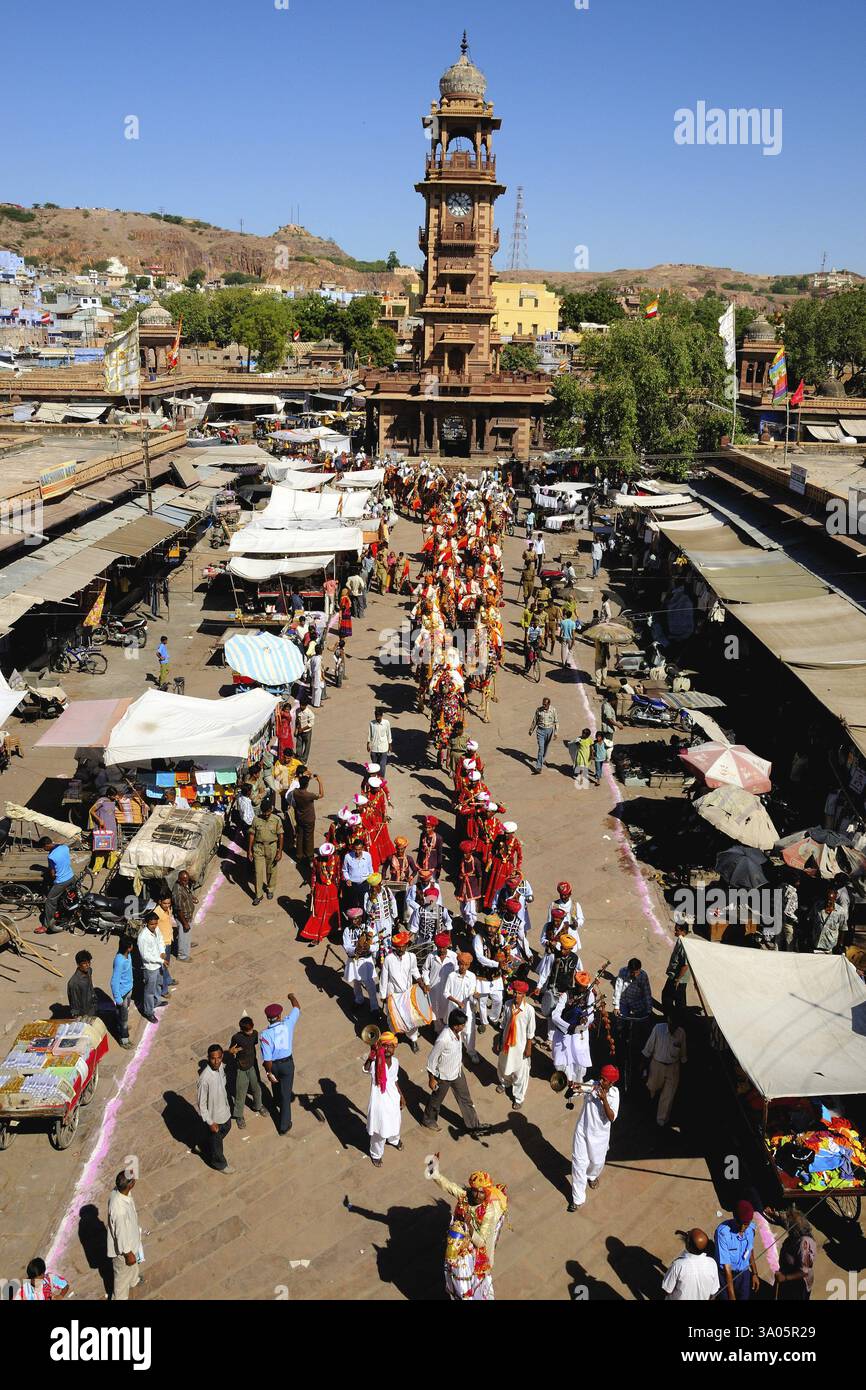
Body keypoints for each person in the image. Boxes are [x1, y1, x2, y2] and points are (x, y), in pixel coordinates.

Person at [428, 1156, 508, 1301]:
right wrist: (435, 1173)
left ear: (487, 1192)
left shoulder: (489, 1212)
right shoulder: (466, 1196)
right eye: (475, 1191)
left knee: (480, 1271)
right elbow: (450, 1187)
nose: (477, 1195)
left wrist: (469, 1225)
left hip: (480, 1239)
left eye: (481, 1192)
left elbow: (481, 1242)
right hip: (465, 1232)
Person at [423, 1008, 484, 1135]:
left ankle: (473, 1125)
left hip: (457, 1073)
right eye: (462, 1025)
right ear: (455, 1026)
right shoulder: (443, 1039)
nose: (464, 1026)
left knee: (466, 1099)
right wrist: (432, 1078)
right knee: (436, 1101)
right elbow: (431, 1060)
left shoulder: (457, 1033)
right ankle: (428, 1119)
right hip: (443, 1077)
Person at [569, 1063, 620, 1211]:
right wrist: (573, 1087)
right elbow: (579, 1089)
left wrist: (604, 1100)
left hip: (599, 1138)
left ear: (612, 1083)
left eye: (605, 1080)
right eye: (601, 1078)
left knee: (596, 1163)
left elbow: (611, 1117)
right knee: (579, 1164)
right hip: (583, 1132)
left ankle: (592, 1175)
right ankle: (577, 1199)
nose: (602, 1082)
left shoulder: (614, 1095)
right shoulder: (592, 1085)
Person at [260, 994, 301, 1135]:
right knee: (286, 1094)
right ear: (279, 1016)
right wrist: (291, 997)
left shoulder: (264, 1035)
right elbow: (297, 1007)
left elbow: (267, 1060)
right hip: (287, 1064)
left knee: (275, 1084)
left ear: (268, 1018)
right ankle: (284, 1125)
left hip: (274, 1066)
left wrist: (268, 1073)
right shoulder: (288, 1024)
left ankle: (275, 1100)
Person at [364, 1031, 403, 1167]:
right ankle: (376, 1154)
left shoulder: (396, 1062)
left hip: (393, 1098)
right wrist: (372, 1055)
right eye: (384, 1046)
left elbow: (394, 1080)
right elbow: (366, 1068)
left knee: (395, 1121)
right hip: (379, 1102)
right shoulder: (375, 1064)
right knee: (379, 1130)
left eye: (390, 1046)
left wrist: (401, 1096)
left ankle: (394, 1139)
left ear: (394, 1047)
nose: (387, 1049)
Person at [379, 931, 423, 1053]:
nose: (400, 949)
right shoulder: (388, 959)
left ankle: (413, 1039)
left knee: (412, 1018)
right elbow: (384, 977)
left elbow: (415, 971)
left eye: (402, 946)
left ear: (406, 945)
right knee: (393, 1018)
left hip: (407, 993)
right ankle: (392, 1038)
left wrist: (421, 982)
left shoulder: (411, 957)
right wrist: (383, 995)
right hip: (393, 994)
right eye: (398, 947)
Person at [642, 1011, 687, 1127]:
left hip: (673, 1068)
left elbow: (683, 1055)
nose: (673, 1028)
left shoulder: (681, 1033)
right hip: (657, 1065)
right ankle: (649, 1109)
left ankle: (661, 1122)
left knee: (668, 1096)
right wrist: (644, 1067)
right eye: (672, 1024)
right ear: (668, 1021)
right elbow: (648, 1049)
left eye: (676, 1025)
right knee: (652, 1088)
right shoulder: (658, 1029)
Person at [496, 979, 535, 1109]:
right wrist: (499, 1040)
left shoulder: (529, 1010)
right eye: (514, 992)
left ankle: (518, 1097)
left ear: (524, 995)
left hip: (520, 1046)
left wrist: (528, 1047)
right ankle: (504, 1083)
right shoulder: (507, 1005)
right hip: (507, 1044)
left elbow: (530, 1032)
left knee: (520, 1072)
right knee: (503, 1064)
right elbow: (503, 1024)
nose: (515, 996)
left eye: (518, 993)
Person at [107, 1170, 143, 1301]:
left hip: (131, 1242)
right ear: (131, 1184)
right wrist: (128, 1254)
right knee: (121, 1279)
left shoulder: (118, 1192)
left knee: (133, 1266)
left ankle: (134, 1280)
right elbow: (120, 1234)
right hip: (124, 1252)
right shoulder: (119, 1210)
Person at [197, 1044, 233, 1173]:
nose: (216, 1061)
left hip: (225, 1110)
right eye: (213, 1058)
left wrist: (230, 1052)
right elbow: (201, 1104)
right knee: (217, 1143)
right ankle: (219, 1164)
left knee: (228, 1127)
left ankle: (206, 1145)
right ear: (208, 1058)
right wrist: (210, 1122)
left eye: (219, 1058)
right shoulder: (204, 1079)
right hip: (214, 1117)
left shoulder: (220, 1067)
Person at [715, 1200, 760, 1301]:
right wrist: (731, 1296)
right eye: (740, 1223)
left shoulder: (751, 1230)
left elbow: (750, 1251)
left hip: (743, 1273)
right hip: (725, 1275)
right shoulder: (723, 1233)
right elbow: (727, 1267)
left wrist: (755, 1274)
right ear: (735, 1217)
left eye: (746, 1224)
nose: (743, 1228)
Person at [227, 1015, 268, 1128]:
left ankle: (258, 1106)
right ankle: (239, 1115)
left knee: (257, 1088)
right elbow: (231, 1050)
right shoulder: (236, 1038)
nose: (250, 1031)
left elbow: (254, 1043)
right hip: (241, 1068)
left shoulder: (255, 1033)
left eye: (251, 1028)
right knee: (241, 1092)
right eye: (247, 1030)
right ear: (242, 1029)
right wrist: (232, 1051)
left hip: (253, 1065)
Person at [661, 1230, 721, 1301]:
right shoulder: (712, 1263)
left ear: (688, 1245)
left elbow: (667, 1290)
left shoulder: (678, 1265)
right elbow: (713, 1291)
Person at [248, 796, 283, 905]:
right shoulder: (256, 820)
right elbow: (252, 835)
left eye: (268, 812)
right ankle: (258, 895)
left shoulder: (276, 820)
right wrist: (249, 850)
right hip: (258, 848)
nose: (266, 814)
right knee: (258, 871)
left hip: (272, 847)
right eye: (265, 812)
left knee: (271, 870)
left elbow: (280, 835)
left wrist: (279, 851)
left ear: (271, 810)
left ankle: (270, 889)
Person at [775, 1209, 816, 1301]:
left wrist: (784, 1278)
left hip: (797, 1285)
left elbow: (803, 1272)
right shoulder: (795, 1236)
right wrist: (773, 1214)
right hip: (787, 1279)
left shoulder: (803, 1243)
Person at [38, 834, 75, 932]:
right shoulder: (64, 847)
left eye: (43, 848)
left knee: (50, 900)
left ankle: (46, 925)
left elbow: (53, 874)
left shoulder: (51, 856)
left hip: (61, 881)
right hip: (71, 876)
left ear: (46, 846)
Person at [137, 911, 169, 1023]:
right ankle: (149, 1012)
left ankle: (157, 1001)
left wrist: (162, 952)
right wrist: (161, 959)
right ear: (146, 923)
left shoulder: (156, 930)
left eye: (156, 923)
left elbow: (160, 941)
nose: (154, 926)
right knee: (149, 991)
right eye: (152, 924)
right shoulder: (143, 937)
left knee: (158, 985)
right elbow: (146, 956)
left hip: (159, 964)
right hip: (150, 968)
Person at [293, 772, 323, 877]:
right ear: (307, 785)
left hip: (300, 817)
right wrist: (320, 782)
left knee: (300, 835)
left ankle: (299, 854)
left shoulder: (295, 792)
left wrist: (307, 778)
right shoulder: (309, 795)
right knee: (309, 837)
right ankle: (309, 856)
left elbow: (301, 782)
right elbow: (321, 795)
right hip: (309, 818)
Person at [110, 936, 135, 1048]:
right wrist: (118, 998)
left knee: (123, 1014)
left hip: (128, 989)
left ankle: (120, 1026)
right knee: (124, 1018)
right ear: (129, 948)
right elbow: (114, 982)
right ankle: (124, 1040)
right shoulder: (120, 961)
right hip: (122, 994)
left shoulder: (127, 955)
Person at [662, 920, 691, 1012]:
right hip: (676, 976)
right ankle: (676, 1016)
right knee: (678, 999)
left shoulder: (684, 945)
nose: (675, 932)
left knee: (668, 997)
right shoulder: (680, 941)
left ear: (683, 932)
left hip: (678, 977)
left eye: (677, 930)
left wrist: (678, 979)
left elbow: (685, 966)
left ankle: (670, 1016)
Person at [528, 696, 558, 775]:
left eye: (545, 705)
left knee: (545, 746)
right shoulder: (538, 710)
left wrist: (555, 733)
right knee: (541, 748)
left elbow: (556, 721)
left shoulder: (553, 710)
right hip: (540, 730)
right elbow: (535, 720)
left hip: (549, 730)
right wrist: (531, 729)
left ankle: (543, 758)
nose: (544, 706)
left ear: (549, 704)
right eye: (543, 704)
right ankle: (538, 767)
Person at [172, 869, 197, 962]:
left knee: (187, 933)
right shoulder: (177, 892)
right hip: (183, 918)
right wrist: (184, 923)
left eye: (187, 880)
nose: (186, 882)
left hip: (188, 916)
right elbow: (179, 910)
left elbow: (187, 893)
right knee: (183, 934)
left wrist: (192, 898)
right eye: (184, 880)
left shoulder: (184, 885)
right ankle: (182, 956)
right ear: (179, 879)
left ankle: (187, 943)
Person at [67, 948, 97, 1018]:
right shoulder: (74, 983)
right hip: (83, 1014)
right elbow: (75, 1003)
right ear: (78, 964)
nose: (87, 965)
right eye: (84, 963)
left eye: (88, 962)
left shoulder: (89, 971)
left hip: (92, 1007)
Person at [367, 707, 393, 780]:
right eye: (376, 715)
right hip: (374, 747)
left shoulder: (386, 723)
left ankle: (381, 779)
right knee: (375, 764)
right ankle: (375, 777)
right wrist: (368, 744)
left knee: (382, 765)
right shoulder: (372, 723)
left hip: (383, 747)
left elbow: (389, 734)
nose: (377, 717)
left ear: (382, 716)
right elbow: (370, 734)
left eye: (378, 716)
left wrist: (390, 744)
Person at [294, 700, 315, 766]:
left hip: (307, 732)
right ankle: (298, 758)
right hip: (299, 731)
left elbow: (311, 723)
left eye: (303, 705)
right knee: (298, 745)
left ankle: (304, 760)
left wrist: (302, 729)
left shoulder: (309, 713)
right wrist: (295, 730)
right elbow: (297, 720)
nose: (301, 706)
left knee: (306, 746)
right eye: (300, 705)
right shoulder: (298, 710)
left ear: (306, 705)